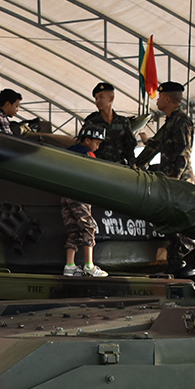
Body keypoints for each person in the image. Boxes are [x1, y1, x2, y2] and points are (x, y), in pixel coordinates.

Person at [62, 125, 108, 278]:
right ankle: (89, 265)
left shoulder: (67, 152)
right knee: (88, 227)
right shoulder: (88, 155)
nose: (97, 146)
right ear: (87, 140)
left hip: (64, 194)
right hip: (79, 194)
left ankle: (69, 266)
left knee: (73, 230)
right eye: (97, 142)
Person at [135, 80, 195, 184]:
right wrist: (148, 141)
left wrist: (175, 176)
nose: (157, 100)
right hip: (169, 177)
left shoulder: (181, 120)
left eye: (159, 97)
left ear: (167, 99)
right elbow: (166, 145)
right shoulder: (171, 120)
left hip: (180, 181)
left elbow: (183, 150)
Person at [83, 81, 138, 167]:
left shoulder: (123, 122)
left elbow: (129, 147)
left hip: (119, 168)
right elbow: (84, 146)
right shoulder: (91, 122)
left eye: (101, 97)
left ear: (111, 98)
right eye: (96, 98)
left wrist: (132, 164)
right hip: (98, 167)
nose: (98, 101)